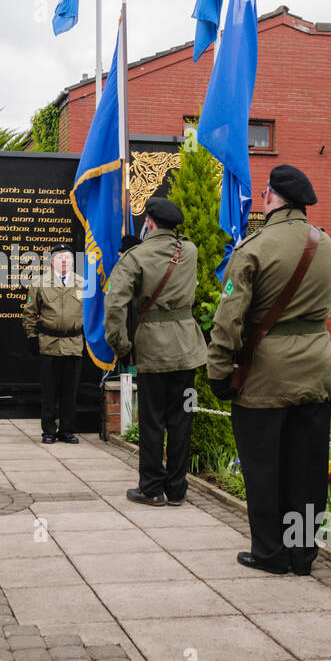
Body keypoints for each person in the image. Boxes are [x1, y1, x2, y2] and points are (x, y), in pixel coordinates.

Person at [206, 165, 331, 575]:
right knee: (309, 469)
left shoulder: (253, 248)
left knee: (265, 469)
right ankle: (303, 555)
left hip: (265, 375)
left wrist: (218, 370)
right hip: (316, 370)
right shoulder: (327, 244)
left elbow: (229, 318)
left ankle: (270, 554)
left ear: (268, 197)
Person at [104, 197, 207, 506]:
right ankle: (177, 489)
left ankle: (151, 488)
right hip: (187, 348)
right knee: (181, 420)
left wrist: (121, 346)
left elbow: (114, 306)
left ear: (148, 222)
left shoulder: (137, 256)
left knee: (152, 421)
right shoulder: (189, 251)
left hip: (152, 349)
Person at [23, 243, 84, 444]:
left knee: (70, 390)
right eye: (60, 258)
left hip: (73, 343)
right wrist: (32, 335)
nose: (64, 261)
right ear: (52, 262)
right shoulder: (40, 282)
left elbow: (90, 314)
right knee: (49, 391)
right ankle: (49, 430)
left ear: (73, 262)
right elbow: (30, 313)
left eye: (68, 258)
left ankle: (67, 429)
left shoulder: (82, 283)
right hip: (49, 342)